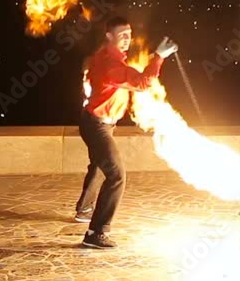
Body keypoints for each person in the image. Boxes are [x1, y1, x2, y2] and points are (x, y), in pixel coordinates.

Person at [74, 16, 178, 249]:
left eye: (129, 35)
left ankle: (83, 210)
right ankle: (96, 232)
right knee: (117, 175)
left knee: (99, 164)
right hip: (97, 126)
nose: (127, 40)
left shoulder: (106, 57)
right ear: (109, 36)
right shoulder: (111, 65)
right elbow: (142, 83)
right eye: (122, 35)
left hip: (98, 122)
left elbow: (127, 80)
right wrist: (159, 57)